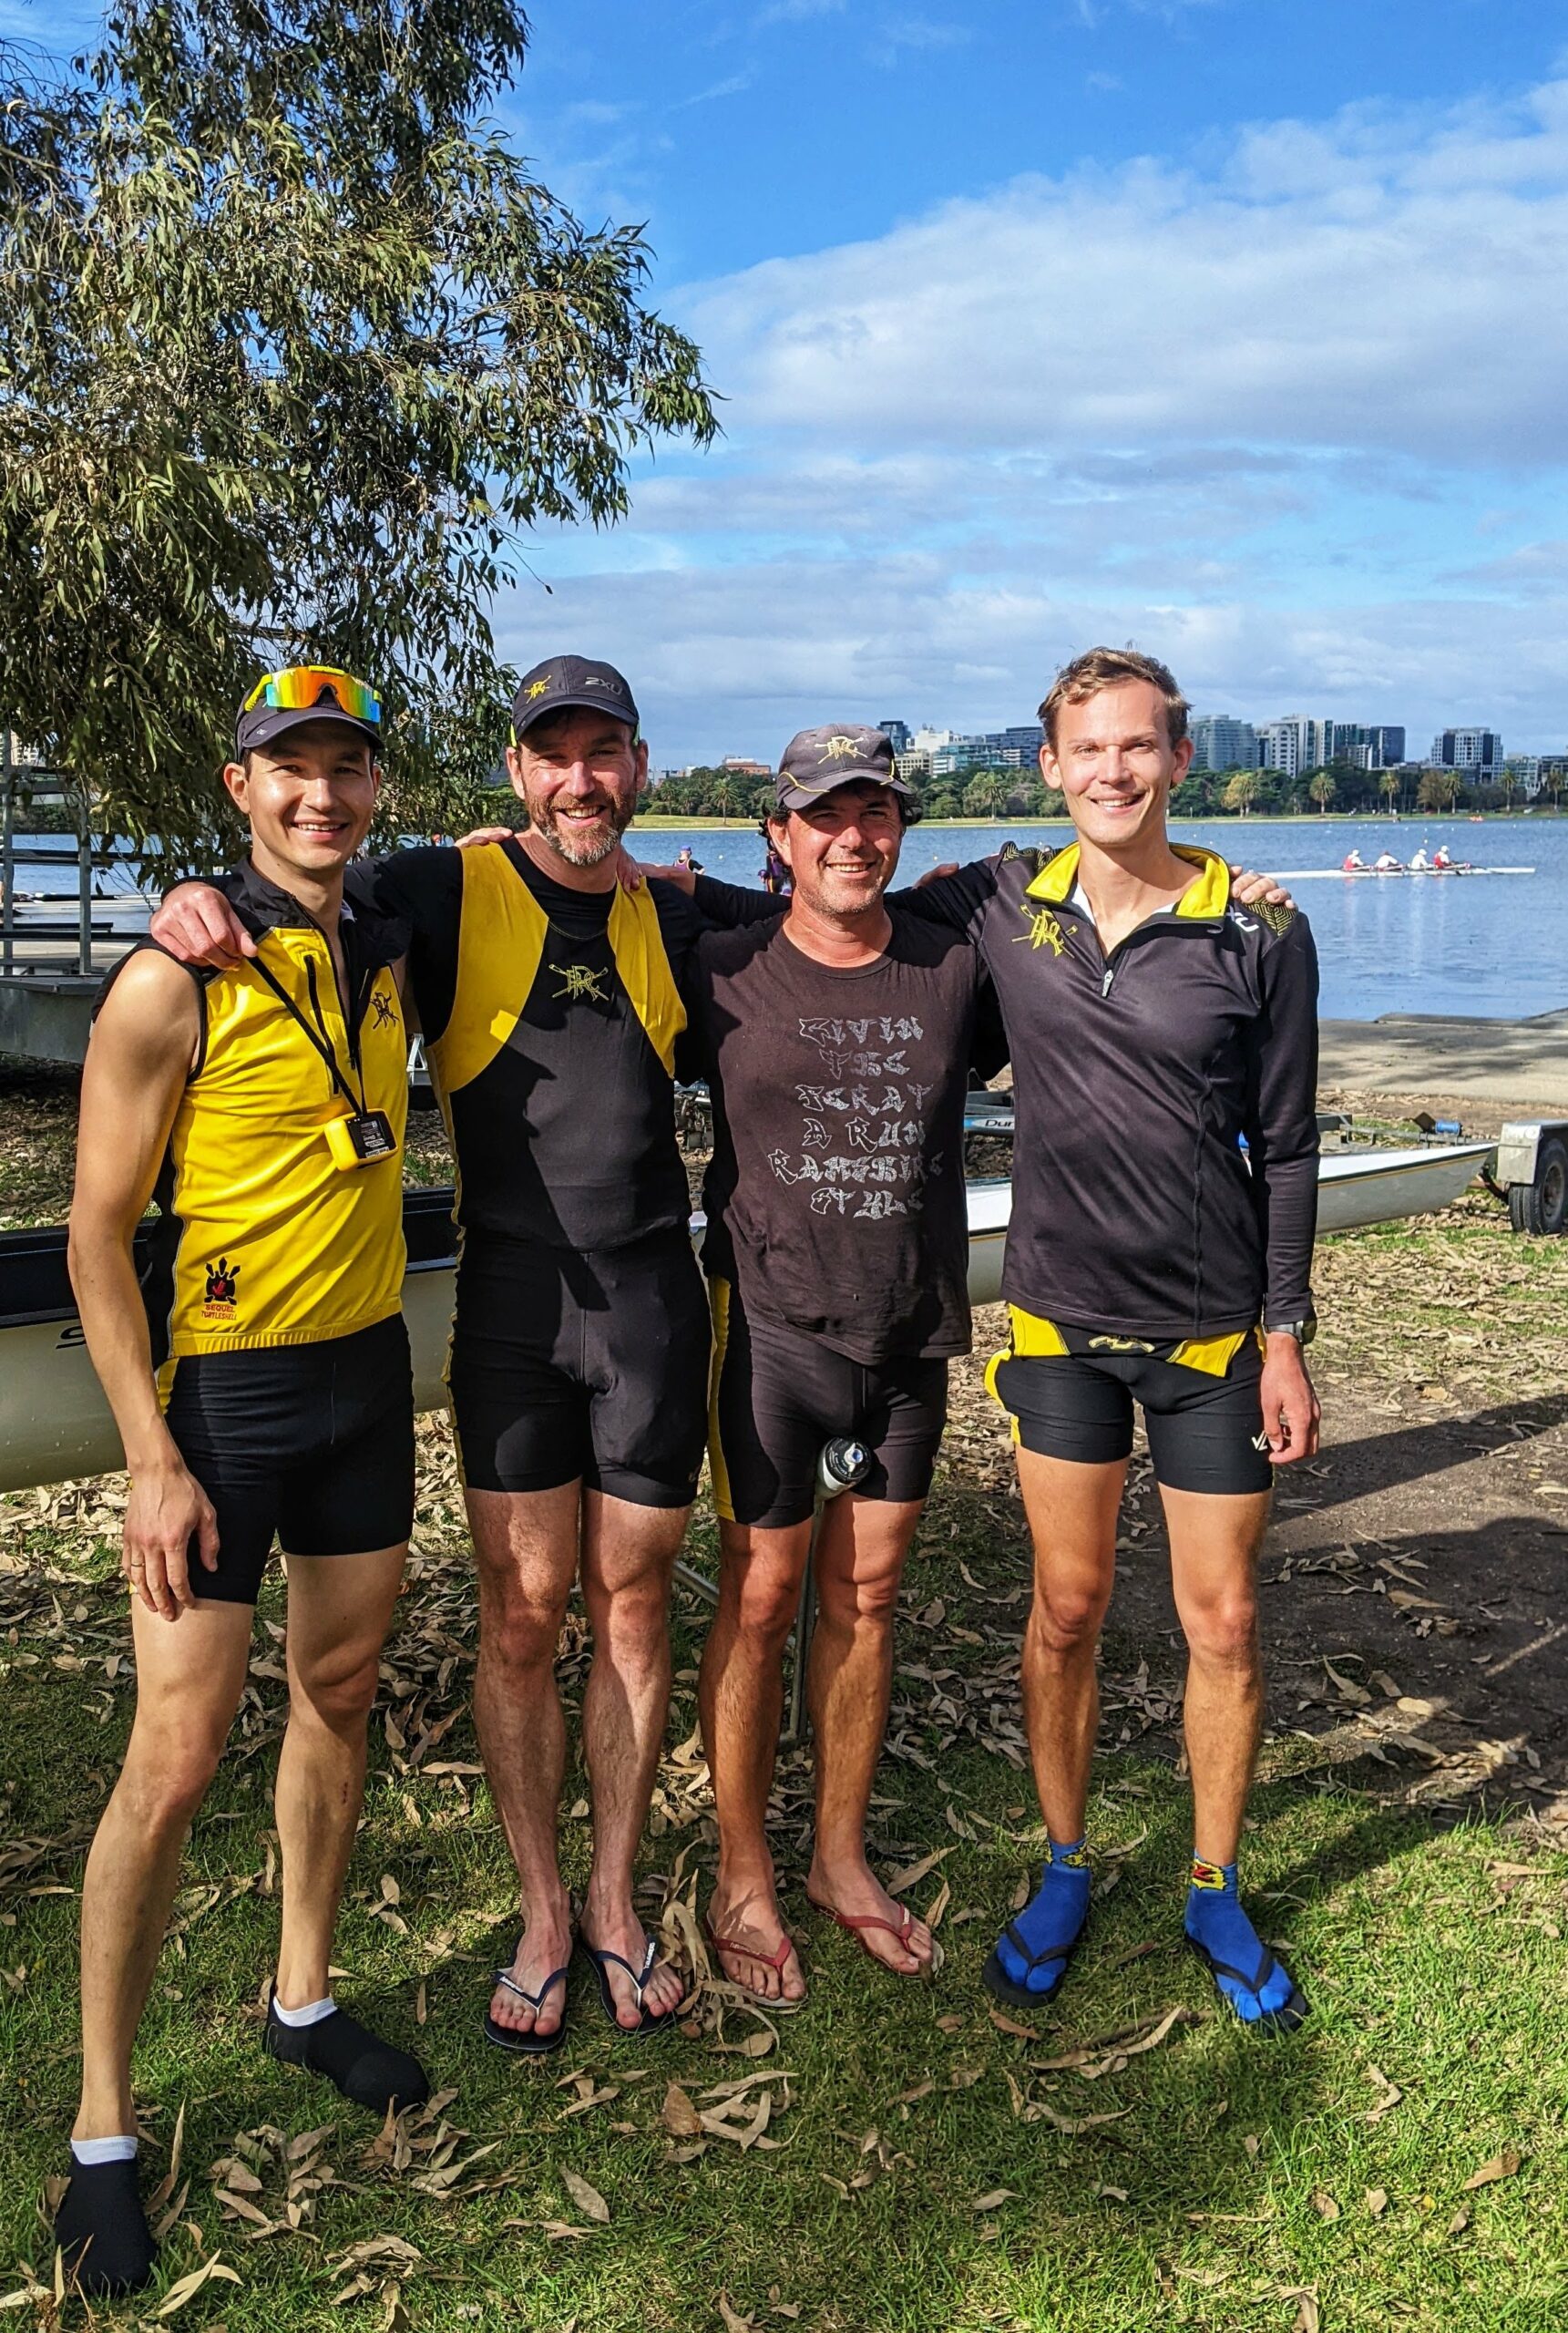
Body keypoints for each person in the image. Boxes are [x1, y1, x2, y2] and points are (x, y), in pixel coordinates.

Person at [149, 656, 708, 2050]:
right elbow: (296, 891)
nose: (579, 779)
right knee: (521, 1615)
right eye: (551, 754)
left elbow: (853, 911)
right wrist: (189, 897)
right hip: (513, 1308)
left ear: (639, 768)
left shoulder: (682, 912)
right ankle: (539, 1910)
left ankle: (613, 1896)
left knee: (633, 1608)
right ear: (515, 772)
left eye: (603, 752)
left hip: (650, 1307)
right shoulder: (444, 889)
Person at [58, 666, 427, 2297]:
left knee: (338, 1690)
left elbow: (545, 848)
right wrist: (148, 1460)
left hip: (365, 1382)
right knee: (177, 1756)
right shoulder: (171, 980)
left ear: (374, 790)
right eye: (290, 770)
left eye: (345, 770)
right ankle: (103, 2127)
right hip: (224, 1404)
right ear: (239, 787)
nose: (318, 796)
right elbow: (93, 1238)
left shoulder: (390, 939)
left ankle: (301, 1998)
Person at [886, 648, 1319, 2035]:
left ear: (1180, 760)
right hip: (1059, 1326)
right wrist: (617, 874)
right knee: (1066, 1608)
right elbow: (832, 901)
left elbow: (1291, 1147)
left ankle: (1212, 1883)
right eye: (1088, 748)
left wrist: (1286, 1333)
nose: (1113, 770)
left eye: (1138, 746)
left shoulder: (1258, 931)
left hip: (1210, 1338)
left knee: (1222, 1621)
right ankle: (1065, 1860)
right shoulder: (1003, 902)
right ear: (1050, 765)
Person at [674, 727, 1003, 1998]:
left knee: (866, 1598)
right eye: (824, 816)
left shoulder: (953, 967)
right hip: (767, 1330)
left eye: (876, 815)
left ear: (902, 831)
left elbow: (1078, 885)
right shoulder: (722, 966)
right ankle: (741, 1869)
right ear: (780, 835)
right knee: (761, 1601)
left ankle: (837, 1856)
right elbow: (579, 910)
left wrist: (1227, 883)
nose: (852, 839)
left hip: (907, 1333)